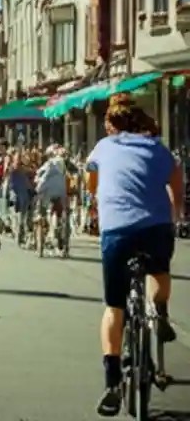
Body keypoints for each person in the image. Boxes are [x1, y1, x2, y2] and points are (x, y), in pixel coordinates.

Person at [85, 94, 185, 417]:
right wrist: (177, 212)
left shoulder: (102, 147)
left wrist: (98, 194)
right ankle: (161, 314)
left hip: (117, 232)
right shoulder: (157, 148)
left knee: (114, 307)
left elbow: (90, 182)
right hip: (156, 228)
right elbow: (176, 179)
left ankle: (112, 382)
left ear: (112, 125)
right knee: (160, 272)